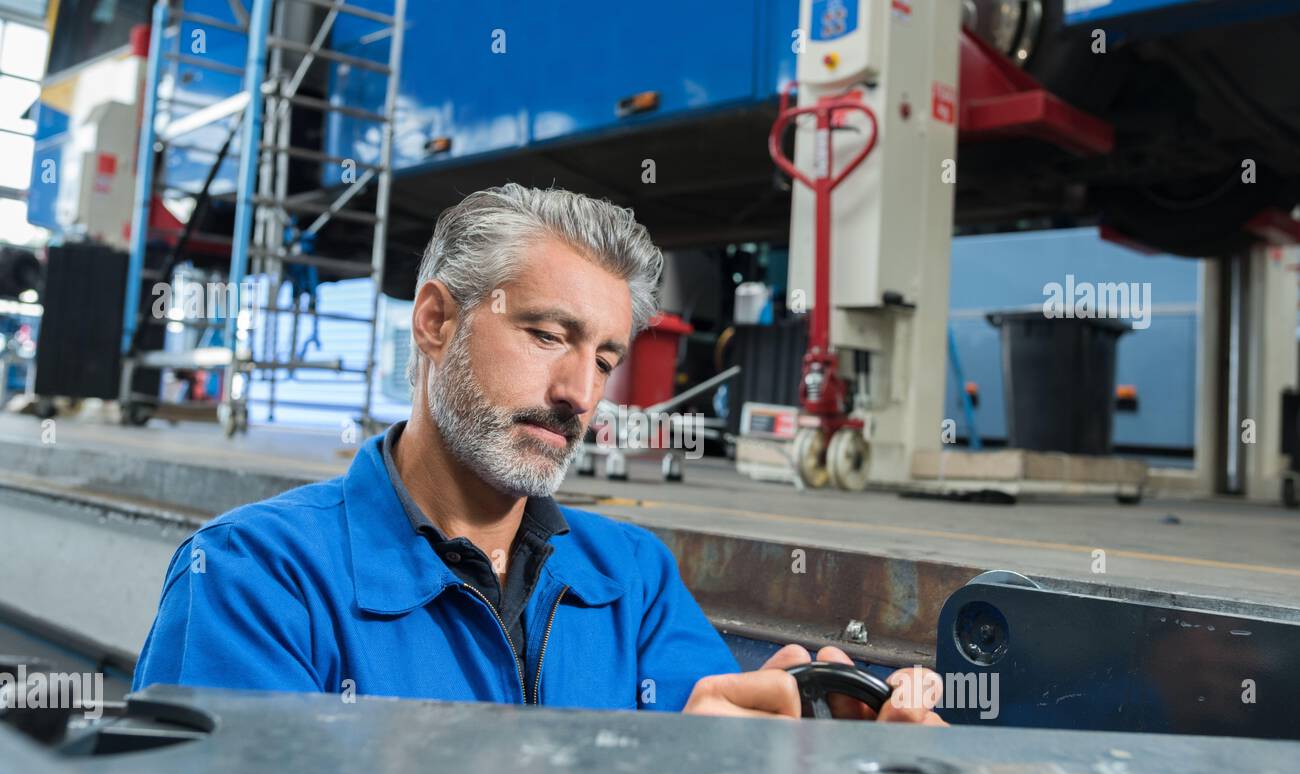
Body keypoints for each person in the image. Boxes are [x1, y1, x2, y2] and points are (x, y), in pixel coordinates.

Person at [133, 183, 945, 725]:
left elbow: (711, 725)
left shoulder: (631, 577)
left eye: (602, 357)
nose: (578, 394)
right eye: (548, 335)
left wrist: (803, 765)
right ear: (436, 321)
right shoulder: (254, 579)